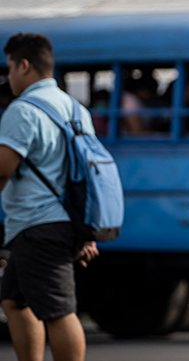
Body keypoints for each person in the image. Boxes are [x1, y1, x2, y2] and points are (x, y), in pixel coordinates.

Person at [0, 33, 98, 361]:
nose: (9, 77)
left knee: (58, 311)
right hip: (60, 222)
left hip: (38, 225)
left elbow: (3, 169)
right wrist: (86, 229)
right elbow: (87, 175)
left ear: (24, 66)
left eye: (10, 68)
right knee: (14, 300)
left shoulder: (23, 109)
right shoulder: (75, 109)